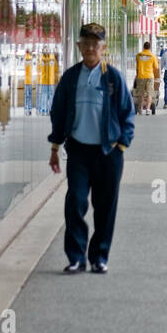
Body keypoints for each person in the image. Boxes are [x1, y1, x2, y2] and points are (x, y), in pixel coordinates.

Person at [48, 21, 135, 274]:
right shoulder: (71, 77)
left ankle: (99, 256)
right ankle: (76, 257)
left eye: (95, 44)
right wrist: (55, 147)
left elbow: (127, 113)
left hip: (109, 152)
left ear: (103, 48)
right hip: (79, 151)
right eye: (85, 44)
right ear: (79, 46)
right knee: (74, 201)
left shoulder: (112, 77)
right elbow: (59, 112)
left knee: (105, 206)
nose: (90, 49)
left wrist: (122, 144)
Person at [134, 41, 159, 115]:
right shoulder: (152, 56)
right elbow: (156, 67)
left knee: (140, 94)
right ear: (149, 47)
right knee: (149, 93)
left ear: (143, 47)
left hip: (141, 76)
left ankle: (140, 109)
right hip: (149, 76)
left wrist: (137, 75)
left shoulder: (138, 55)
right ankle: (148, 109)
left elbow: (137, 67)